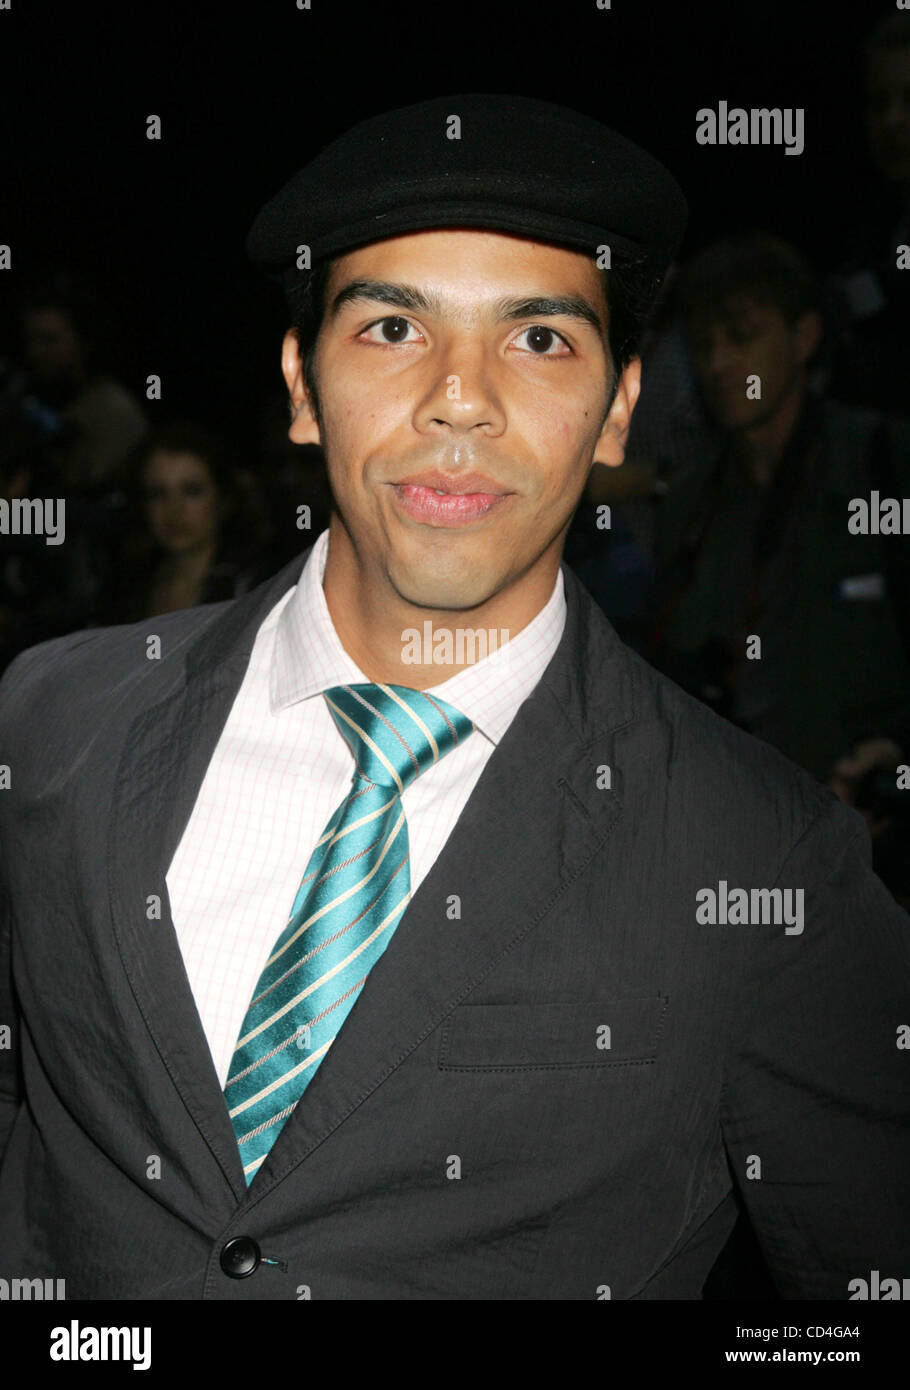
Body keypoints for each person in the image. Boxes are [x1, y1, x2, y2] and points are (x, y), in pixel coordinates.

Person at [0, 94, 907, 1302]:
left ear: (619, 408)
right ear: (300, 384)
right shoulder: (56, 720)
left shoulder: (768, 860)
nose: (461, 398)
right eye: (389, 328)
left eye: (538, 340)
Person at [649, 233, 910, 900]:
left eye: (741, 336)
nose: (719, 363)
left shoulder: (883, 464)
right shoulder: (691, 505)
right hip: (737, 863)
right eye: (703, 345)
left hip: (877, 864)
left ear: (804, 337)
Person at [97, 422, 271, 625]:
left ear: (222, 498)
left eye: (192, 491)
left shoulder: (253, 586)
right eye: (157, 494)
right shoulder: (126, 587)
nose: (174, 510)